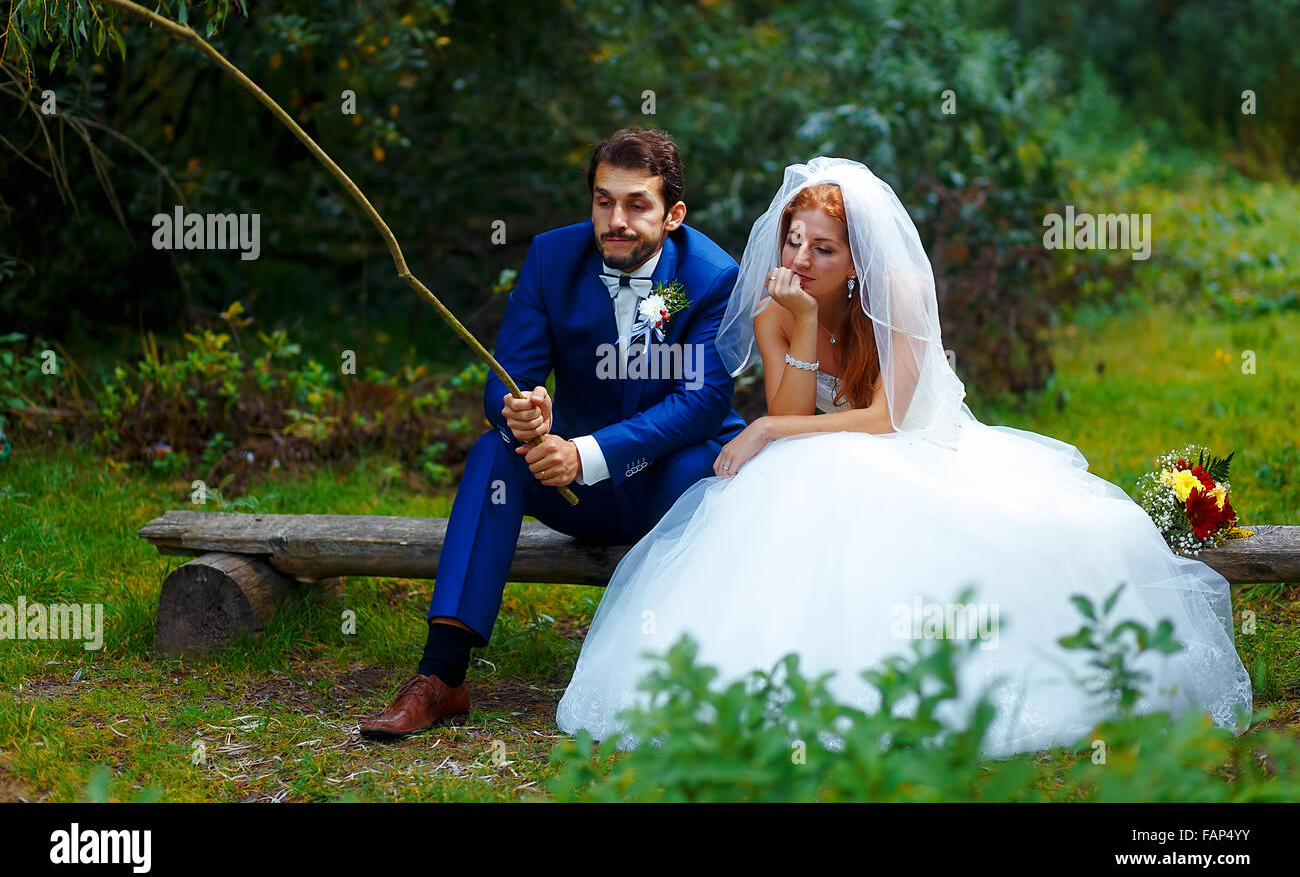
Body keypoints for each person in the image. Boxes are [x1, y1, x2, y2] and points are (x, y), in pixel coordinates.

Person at [555, 156, 1253, 758]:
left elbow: (884, 422)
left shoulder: (902, 294)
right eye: (793, 242)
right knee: (785, 495)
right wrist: (799, 324)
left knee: (878, 490)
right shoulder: (777, 308)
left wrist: (765, 431)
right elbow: (797, 414)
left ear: (859, 259)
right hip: (819, 453)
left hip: (915, 450)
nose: (798, 261)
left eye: (823, 250)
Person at [361, 128, 746, 739]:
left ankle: (675, 681)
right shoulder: (550, 257)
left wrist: (586, 452)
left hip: (670, 486)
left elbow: (700, 403)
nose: (615, 220)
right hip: (575, 491)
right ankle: (442, 676)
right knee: (496, 449)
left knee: (703, 460)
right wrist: (521, 410)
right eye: (602, 201)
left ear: (673, 214)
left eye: (636, 204)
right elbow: (504, 375)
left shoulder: (712, 276)